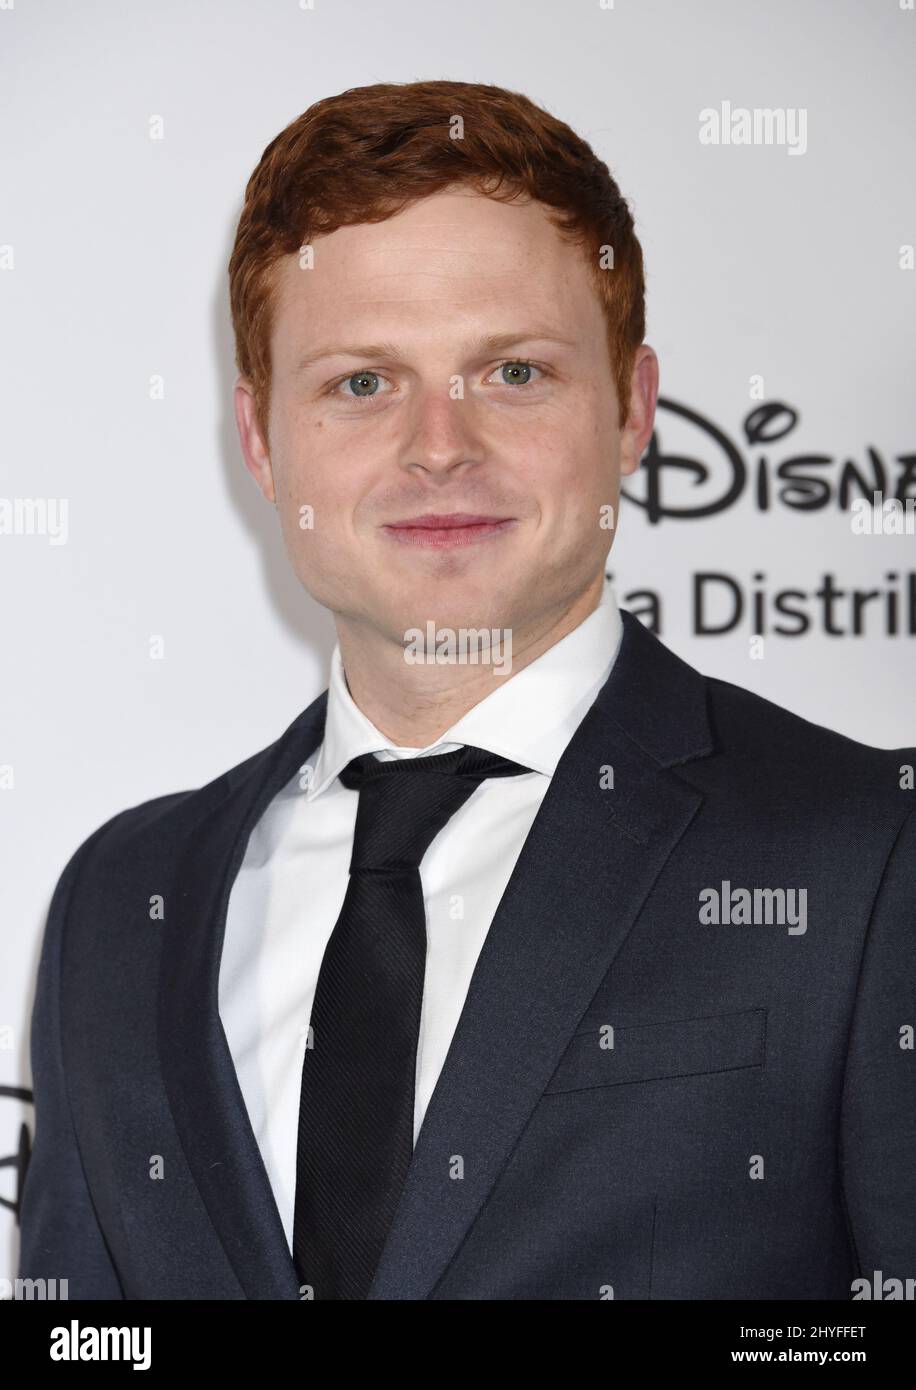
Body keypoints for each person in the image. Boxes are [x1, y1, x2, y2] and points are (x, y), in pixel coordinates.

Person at [18, 80, 915, 1301]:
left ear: (634, 408)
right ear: (261, 440)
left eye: (512, 372)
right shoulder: (121, 905)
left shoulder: (868, 856)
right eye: (361, 383)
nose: (440, 444)